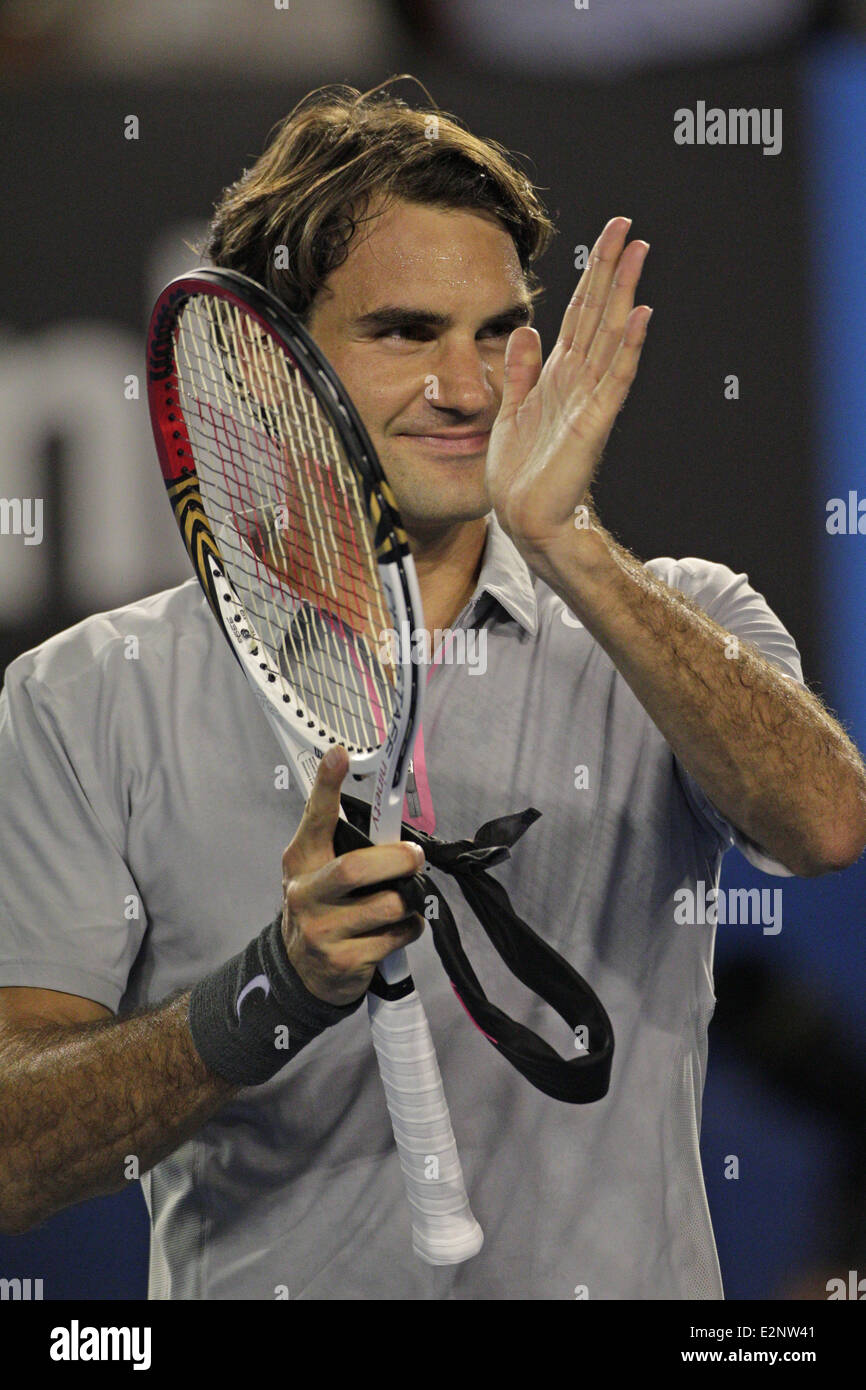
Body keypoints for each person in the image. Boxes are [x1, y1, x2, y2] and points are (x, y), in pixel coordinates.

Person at [1, 79, 864, 1301]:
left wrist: (569, 543)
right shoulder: (78, 700)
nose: (468, 389)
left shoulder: (679, 614)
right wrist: (268, 995)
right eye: (406, 332)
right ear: (263, 366)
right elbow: (13, 1161)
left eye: (499, 334)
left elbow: (824, 821)